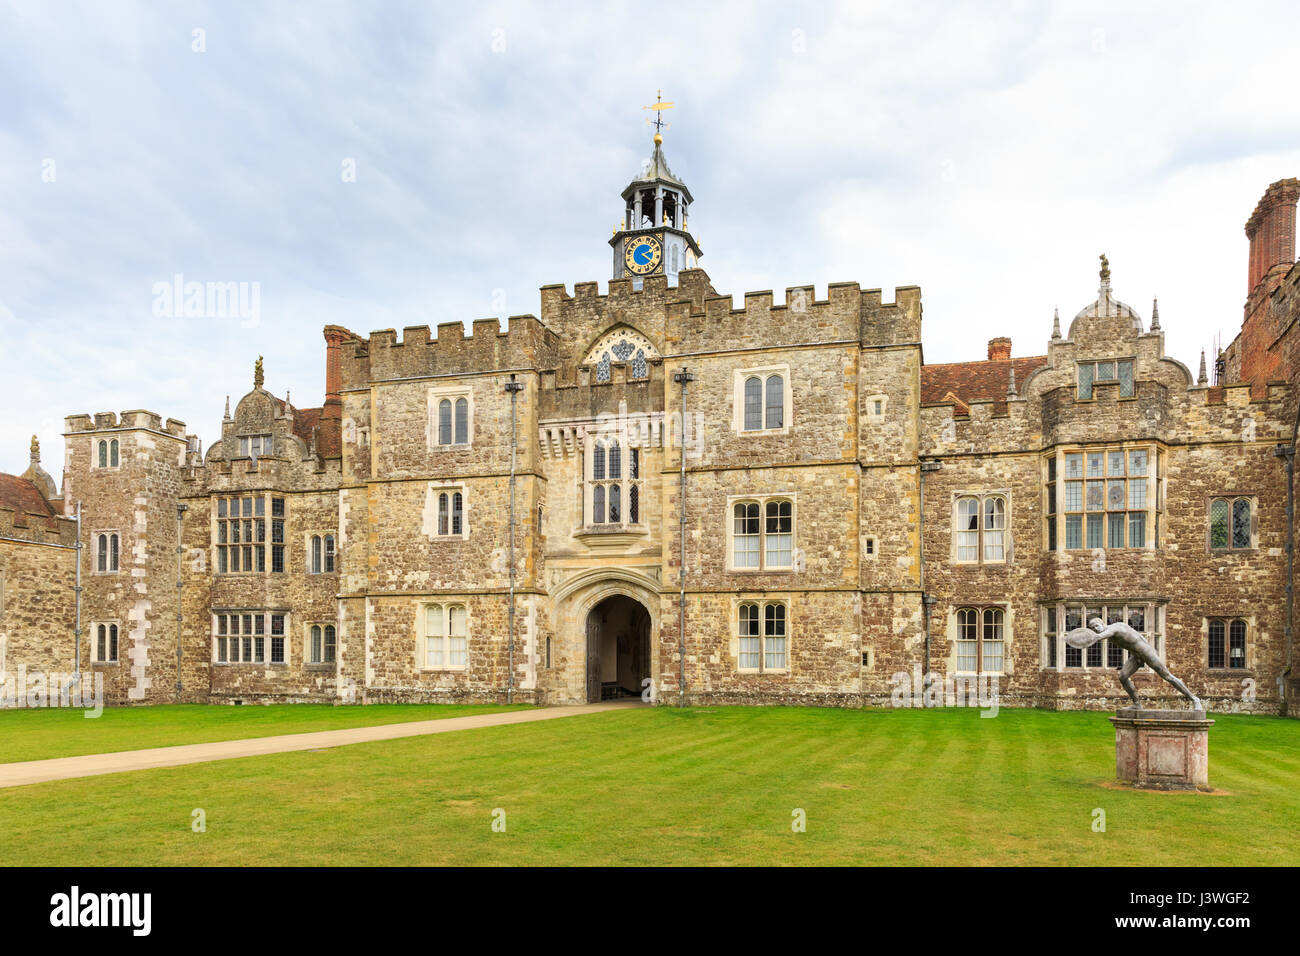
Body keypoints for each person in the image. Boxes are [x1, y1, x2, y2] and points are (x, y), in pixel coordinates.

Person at [1065, 617, 1203, 711]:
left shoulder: (1114, 628)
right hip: (1136, 656)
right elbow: (1137, 637)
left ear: (1102, 622)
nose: (1096, 629)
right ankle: (1137, 704)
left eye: (1096, 625)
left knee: (1167, 677)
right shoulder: (1112, 633)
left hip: (1147, 653)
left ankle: (1194, 699)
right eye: (1093, 628)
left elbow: (1100, 637)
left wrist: (1078, 639)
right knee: (1123, 676)